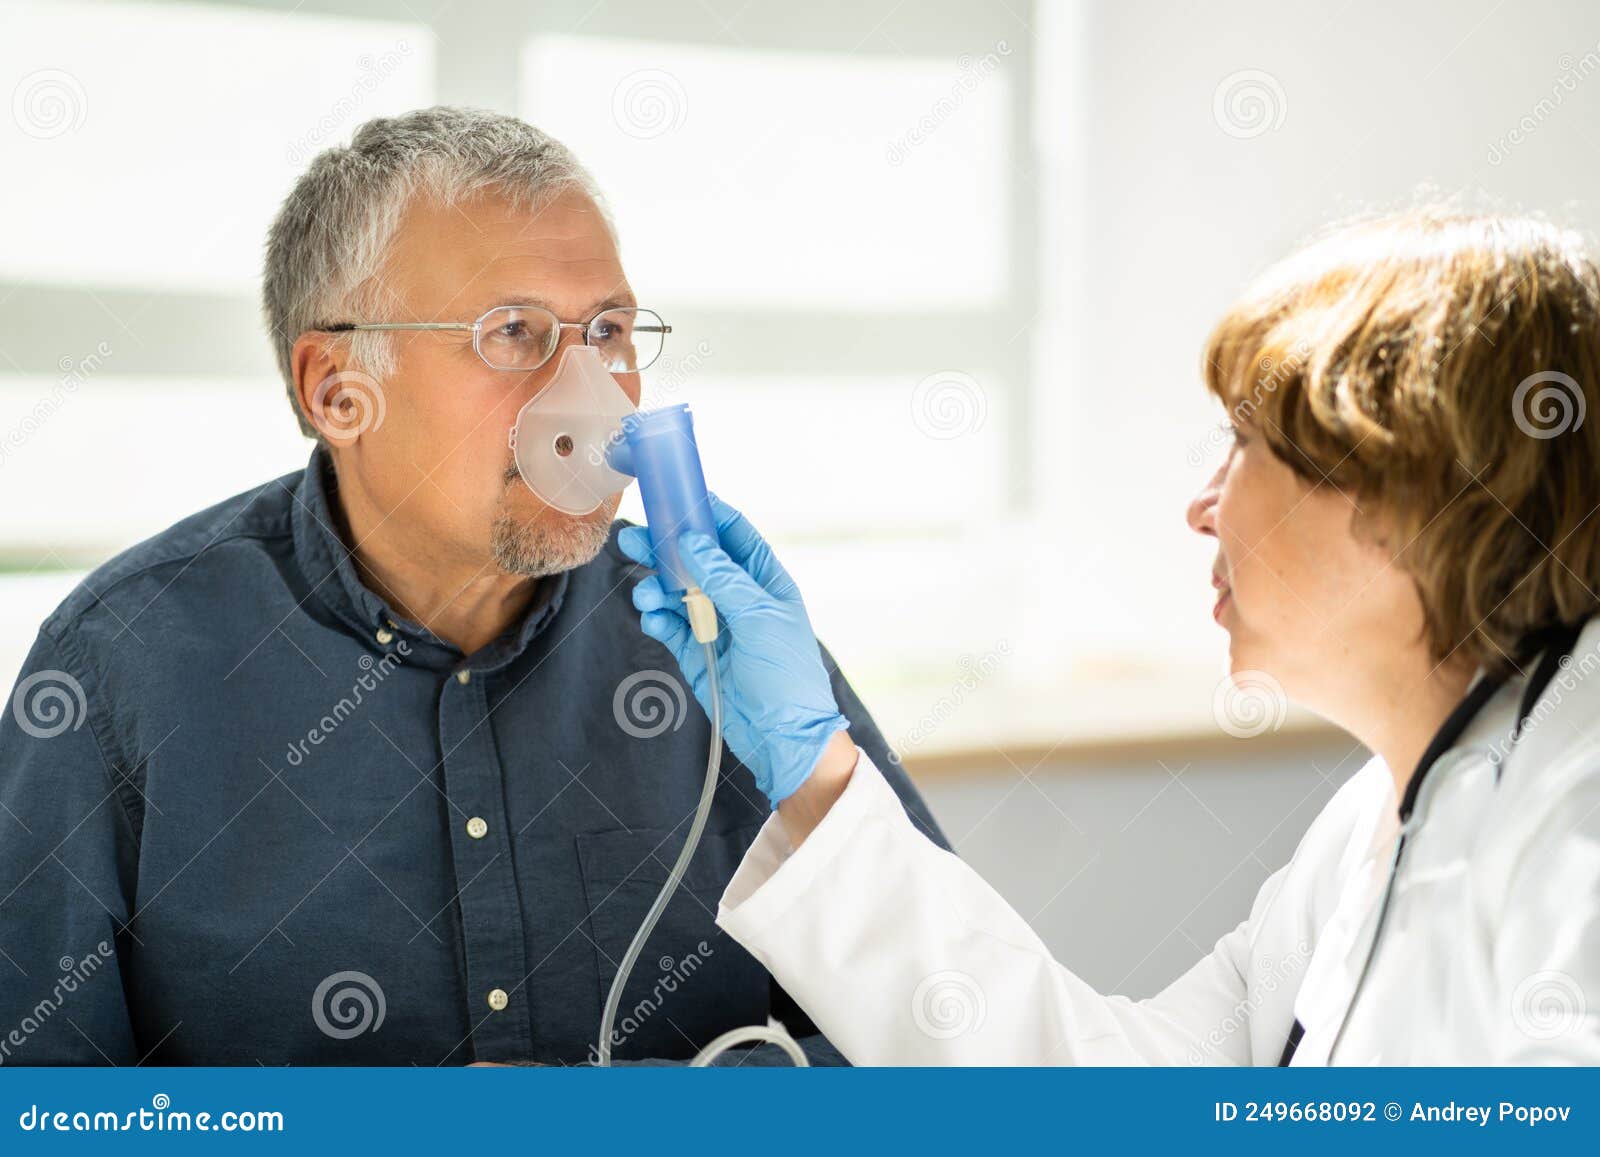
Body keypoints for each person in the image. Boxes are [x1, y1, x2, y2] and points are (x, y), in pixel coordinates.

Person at [0, 108, 943, 1066]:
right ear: (336, 389)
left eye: (608, 330)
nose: (590, 394)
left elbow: (948, 1031)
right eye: (513, 333)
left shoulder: (718, 640)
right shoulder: (124, 666)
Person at [622, 209, 1600, 1064]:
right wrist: (815, 773)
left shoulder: (1575, 811)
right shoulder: (1373, 817)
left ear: (1406, 489)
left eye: (1244, 445)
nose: (1202, 505)